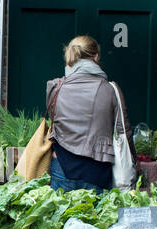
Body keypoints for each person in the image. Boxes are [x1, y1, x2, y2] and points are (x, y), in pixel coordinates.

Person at [44, 35, 133, 191]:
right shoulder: (111, 90)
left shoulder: (55, 88)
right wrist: (134, 163)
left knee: (60, 214)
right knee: (97, 215)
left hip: (62, 166)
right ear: (96, 56)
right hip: (97, 169)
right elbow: (124, 132)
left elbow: (55, 121)